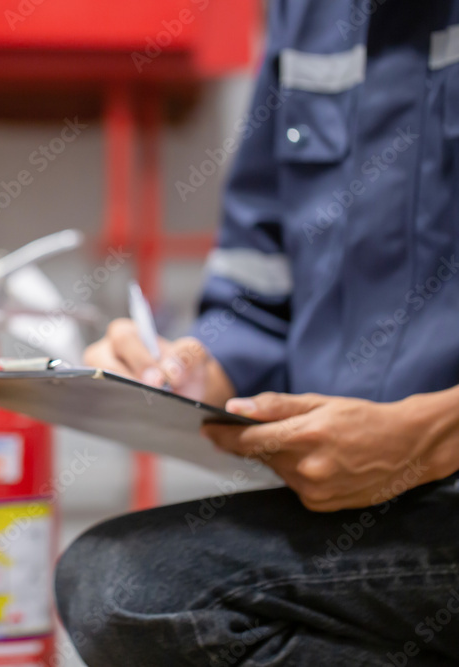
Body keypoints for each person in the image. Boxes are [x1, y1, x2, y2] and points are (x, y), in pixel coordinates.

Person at [56, 1, 459, 665]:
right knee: (114, 582)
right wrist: (183, 370)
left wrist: (431, 437)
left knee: (137, 589)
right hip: (359, 509)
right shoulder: (308, 14)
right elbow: (256, 294)